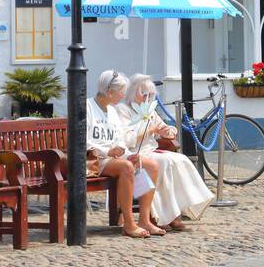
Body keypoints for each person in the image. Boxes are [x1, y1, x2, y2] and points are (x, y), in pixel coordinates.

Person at [120, 74, 214, 231]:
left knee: (180, 160)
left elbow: (166, 128)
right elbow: (126, 138)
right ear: (133, 93)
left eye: (151, 95)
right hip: (133, 152)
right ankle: (162, 217)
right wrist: (150, 130)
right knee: (164, 163)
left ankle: (175, 213)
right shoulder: (124, 111)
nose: (148, 98)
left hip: (151, 150)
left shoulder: (149, 111)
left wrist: (168, 131)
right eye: (145, 95)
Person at [88, 71, 160, 238]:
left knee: (151, 166)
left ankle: (144, 219)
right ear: (109, 91)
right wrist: (108, 151)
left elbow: (119, 139)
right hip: (94, 159)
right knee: (127, 167)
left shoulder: (112, 111)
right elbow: (83, 142)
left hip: (113, 158)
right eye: (121, 91)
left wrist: (127, 153)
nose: (123, 95)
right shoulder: (88, 107)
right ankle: (128, 223)